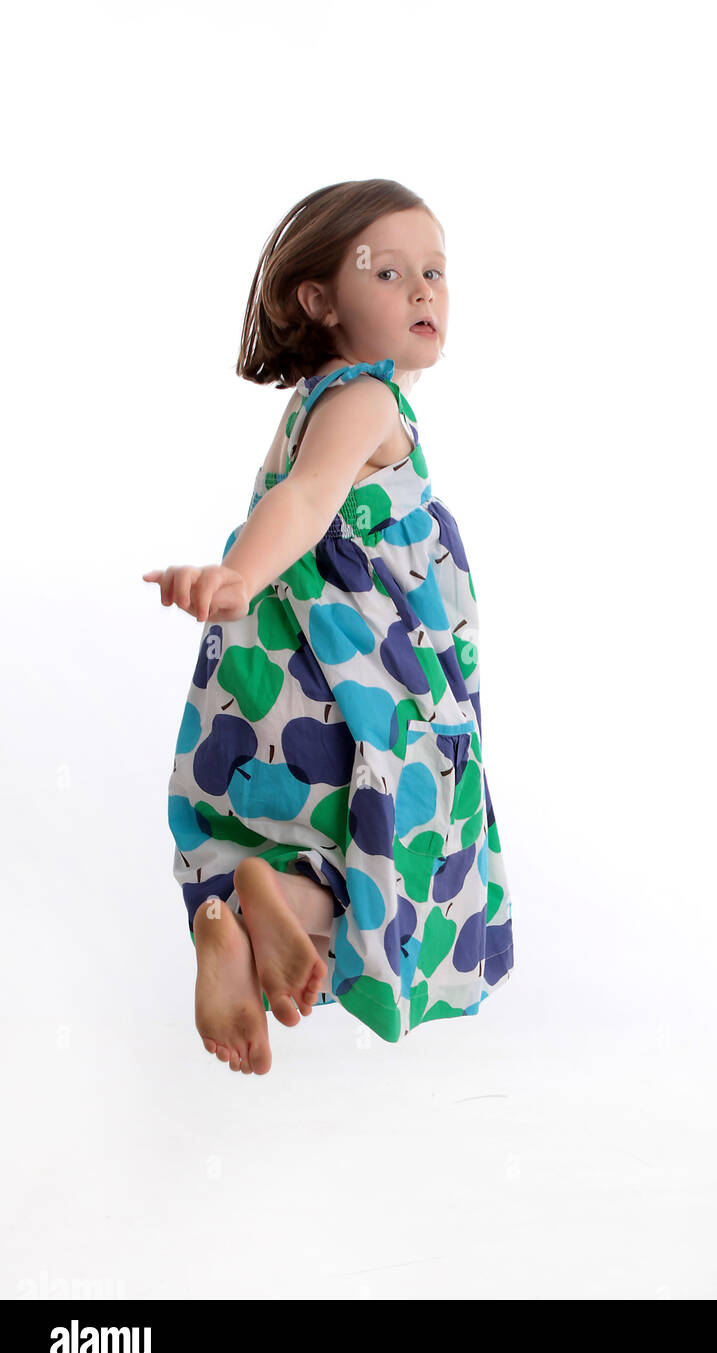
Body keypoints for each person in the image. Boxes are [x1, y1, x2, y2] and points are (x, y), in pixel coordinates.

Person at [143, 180, 514, 1075]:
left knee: (321, 840)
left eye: (434, 272)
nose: (421, 289)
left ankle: (237, 916)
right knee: (408, 826)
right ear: (319, 301)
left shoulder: (316, 399)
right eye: (387, 273)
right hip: (359, 669)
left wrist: (242, 577)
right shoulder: (366, 400)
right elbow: (306, 502)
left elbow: (296, 498)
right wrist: (238, 575)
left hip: (281, 668)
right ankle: (260, 906)